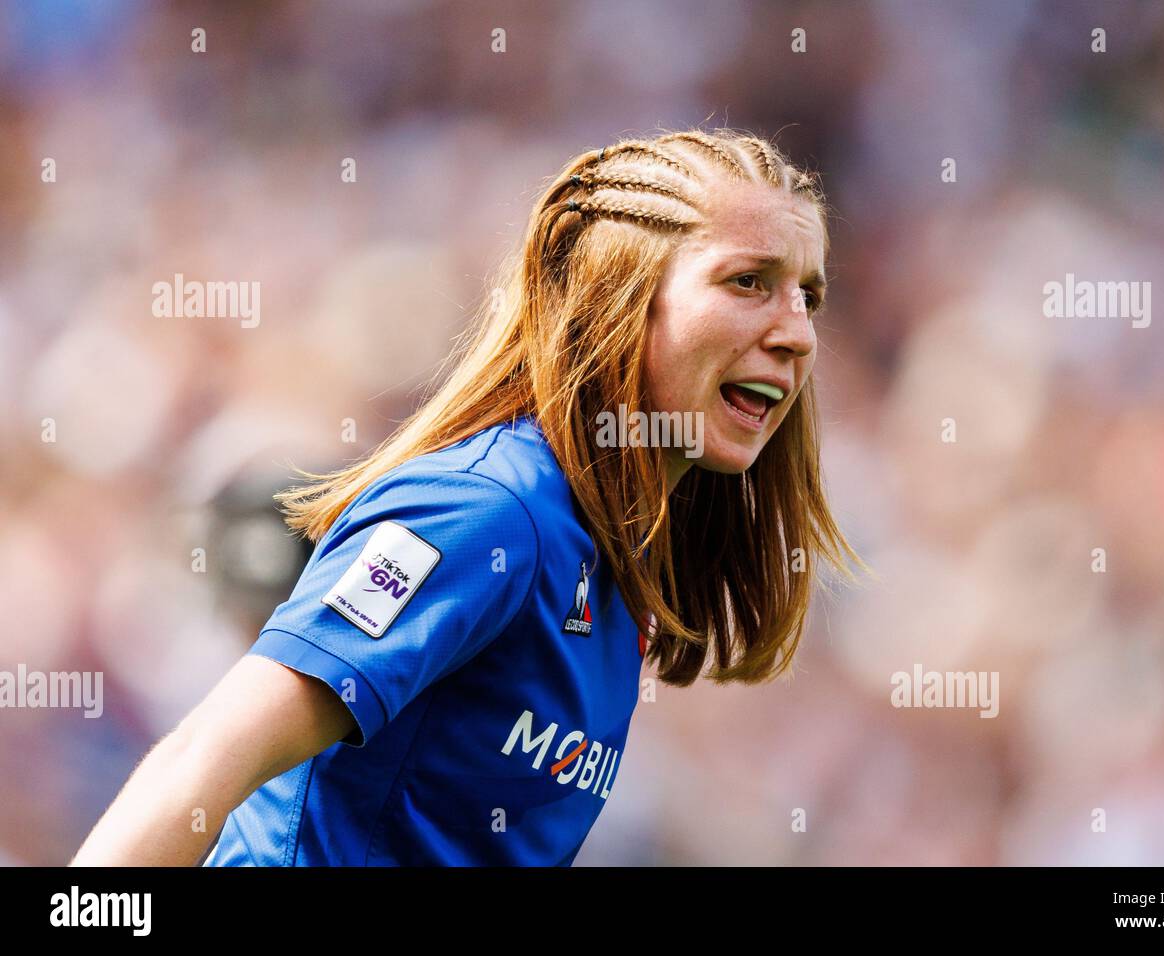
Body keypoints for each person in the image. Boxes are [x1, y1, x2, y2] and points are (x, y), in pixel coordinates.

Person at [69, 127, 865, 867]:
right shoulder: (487, 515)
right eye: (748, 281)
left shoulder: (610, 553)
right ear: (618, 295)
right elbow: (203, 760)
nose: (796, 332)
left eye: (808, 297)